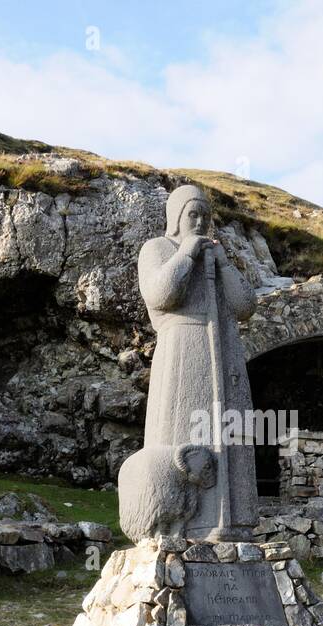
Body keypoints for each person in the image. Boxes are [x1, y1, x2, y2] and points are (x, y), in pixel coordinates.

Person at [137, 184, 259, 541]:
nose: (201, 222)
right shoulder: (158, 248)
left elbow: (245, 306)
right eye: (193, 214)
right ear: (176, 217)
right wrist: (186, 256)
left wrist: (223, 265)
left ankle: (233, 522)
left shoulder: (217, 259)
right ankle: (181, 522)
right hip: (183, 349)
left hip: (225, 351)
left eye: (206, 215)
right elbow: (160, 294)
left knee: (231, 435)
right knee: (182, 433)